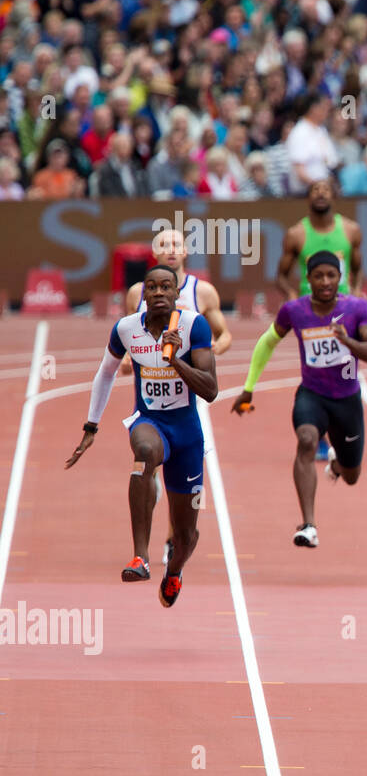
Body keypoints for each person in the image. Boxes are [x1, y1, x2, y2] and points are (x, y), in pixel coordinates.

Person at [65, 264, 219, 608]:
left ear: (177, 294)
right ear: (143, 294)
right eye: (152, 287)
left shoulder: (195, 326)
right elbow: (105, 373)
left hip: (188, 435)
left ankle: (174, 571)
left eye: (166, 287)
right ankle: (140, 557)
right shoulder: (126, 329)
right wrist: (91, 426)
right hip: (149, 420)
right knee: (144, 452)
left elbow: (210, 390)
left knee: (186, 535)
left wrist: (177, 359)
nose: (159, 292)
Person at [233, 251, 367, 548]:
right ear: (307, 279)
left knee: (352, 475)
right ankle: (309, 525)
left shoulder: (357, 309)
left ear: (341, 278)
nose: (325, 282)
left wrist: (347, 340)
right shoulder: (294, 311)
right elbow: (267, 342)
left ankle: (338, 465)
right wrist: (249, 386)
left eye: (331, 275)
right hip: (312, 394)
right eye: (318, 276)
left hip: (347, 400)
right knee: (307, 440)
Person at [121, 228, 233, 565]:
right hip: (150, 399)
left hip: (187, 396)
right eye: (164, 245)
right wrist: (127, 358)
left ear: (186, 251)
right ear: (154, 254)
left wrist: (207, 350)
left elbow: (224, 334)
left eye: (176, 244)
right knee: (147, 459)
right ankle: (145, 540)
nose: (171, 250)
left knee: (179, 480)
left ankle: (173, 538)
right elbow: (129, 332)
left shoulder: (204, 292)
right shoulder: (138, 294)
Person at [277, 178, 363, 461]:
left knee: (345, 365)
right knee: (317, 367)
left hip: (345, 308)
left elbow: (358, 267)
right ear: (308, 198)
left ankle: (342, 428)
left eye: (326, 190)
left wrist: (358, 293)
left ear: (334, 197)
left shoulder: (350, 229)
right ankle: (321, 435)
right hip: (310, 310)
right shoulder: (297, 234)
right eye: (316, 190)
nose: (321, 194)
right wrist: (292, 297)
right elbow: (280, 274)